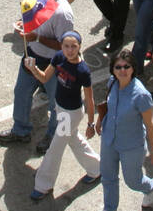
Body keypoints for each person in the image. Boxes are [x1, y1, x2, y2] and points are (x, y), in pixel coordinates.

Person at [0, 0, 75, 151]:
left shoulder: (63, 13)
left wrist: (37, 38)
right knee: (21, 92)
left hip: (52, 64)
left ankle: (53, 137)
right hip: (32, 55)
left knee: (56, 103)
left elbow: (66, 46)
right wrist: (23, 25)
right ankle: (20, 130)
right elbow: (32, 21)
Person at [89, 48, 153, 211]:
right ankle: (109, 210)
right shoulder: (112, 83)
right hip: (109, 139)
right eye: (118, 67)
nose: (122, 70)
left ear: (133, 68)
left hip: (131, 145)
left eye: (126, 67)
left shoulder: (141, 95)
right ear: (112, 69)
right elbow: (108, 105)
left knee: (133, 181)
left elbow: (149, 125)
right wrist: (99, 122)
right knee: (108, 176)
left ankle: (150, 186)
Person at [29, 31, 102, 200]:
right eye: (66, 46)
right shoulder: (58, 58)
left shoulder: (82, 70)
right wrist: (33, 68)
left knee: (55, 148)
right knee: (74, 140)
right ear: (61, 46)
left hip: (72, 114)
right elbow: (44, 77)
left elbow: (90, 99)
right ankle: (97, 168)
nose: (69, 50)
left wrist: (91, 124)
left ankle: (43, 184)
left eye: (73, 46)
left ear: (79, 47)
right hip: (60, 108)